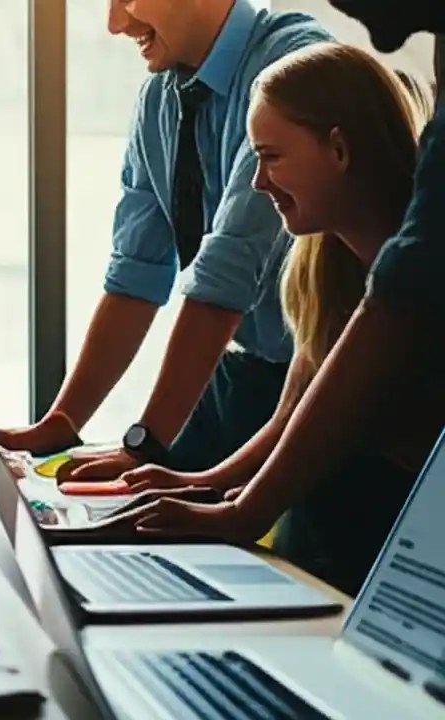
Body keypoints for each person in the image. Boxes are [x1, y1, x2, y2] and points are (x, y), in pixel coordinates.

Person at [103, 2, 445, 596]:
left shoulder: (409, 284)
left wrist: (240, 511)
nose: (258, 183)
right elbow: (290, 415)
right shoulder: (323, 265)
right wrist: (205, 484)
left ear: (339, 151)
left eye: (270, 158)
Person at [0, 0, 329, 481]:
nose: (115, 24)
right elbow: (135, 274)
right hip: (237, 371)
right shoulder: (158, 100)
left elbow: (228, 270)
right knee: (124, 504)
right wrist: (62, 423)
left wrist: (145, 444)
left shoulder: (295, 66)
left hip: (322, 381)